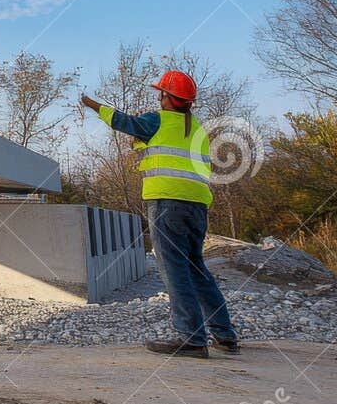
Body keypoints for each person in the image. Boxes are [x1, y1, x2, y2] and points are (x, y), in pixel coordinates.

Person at [80, 70, 238, 359]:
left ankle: (192, 338)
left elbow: (124, 122)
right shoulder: (198, 129)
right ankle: (225, 335)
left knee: (174, 268)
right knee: (196, 268)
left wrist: (93, 105)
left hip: (167, 203)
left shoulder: (157, 119)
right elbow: (167, 146)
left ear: (169, 97)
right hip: (197, 205)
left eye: (161, 93)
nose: (158, 96)